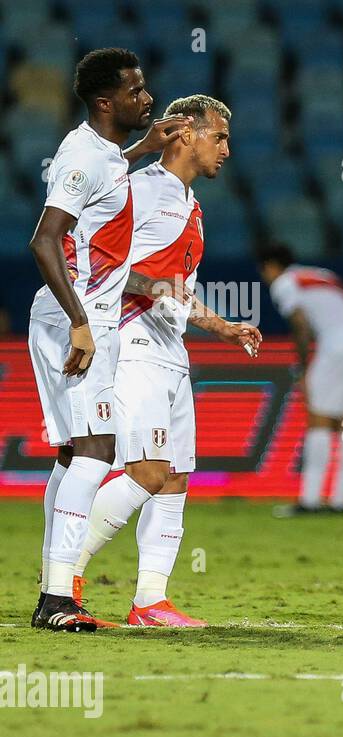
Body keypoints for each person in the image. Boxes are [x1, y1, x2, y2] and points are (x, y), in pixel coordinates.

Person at [73, 95, 260, 626]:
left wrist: (224, 327)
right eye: (218, 136)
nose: (227, 148)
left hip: (170, 350)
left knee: (175, 477)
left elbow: (174, 290)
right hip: (132, 346)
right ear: (183, 134)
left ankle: (150, 602)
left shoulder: (192, 207)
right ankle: (64, 575)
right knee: (149, 471)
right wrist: (149, 286)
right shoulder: (140, 191)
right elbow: (95, 263)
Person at [27, 47, 190, 631]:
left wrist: (140, 150)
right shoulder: (81, 155)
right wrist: (78, 322)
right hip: (78, 320)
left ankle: (54, 590)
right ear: (105, 102)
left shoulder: (104, 155)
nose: (147, 99)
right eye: (136, 91)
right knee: (97, 452)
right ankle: (58, 598)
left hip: (83, 317)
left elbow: (100, 179)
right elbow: (45, 241)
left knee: (75, 454)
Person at [258, 244, 343, 515]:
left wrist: (302, 368)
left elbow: (300, 325)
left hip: (336, 347)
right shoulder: (321, 274)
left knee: (319, 418)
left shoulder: (285, 283)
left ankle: (310, 499)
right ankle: (340, 500)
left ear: (271, 266)